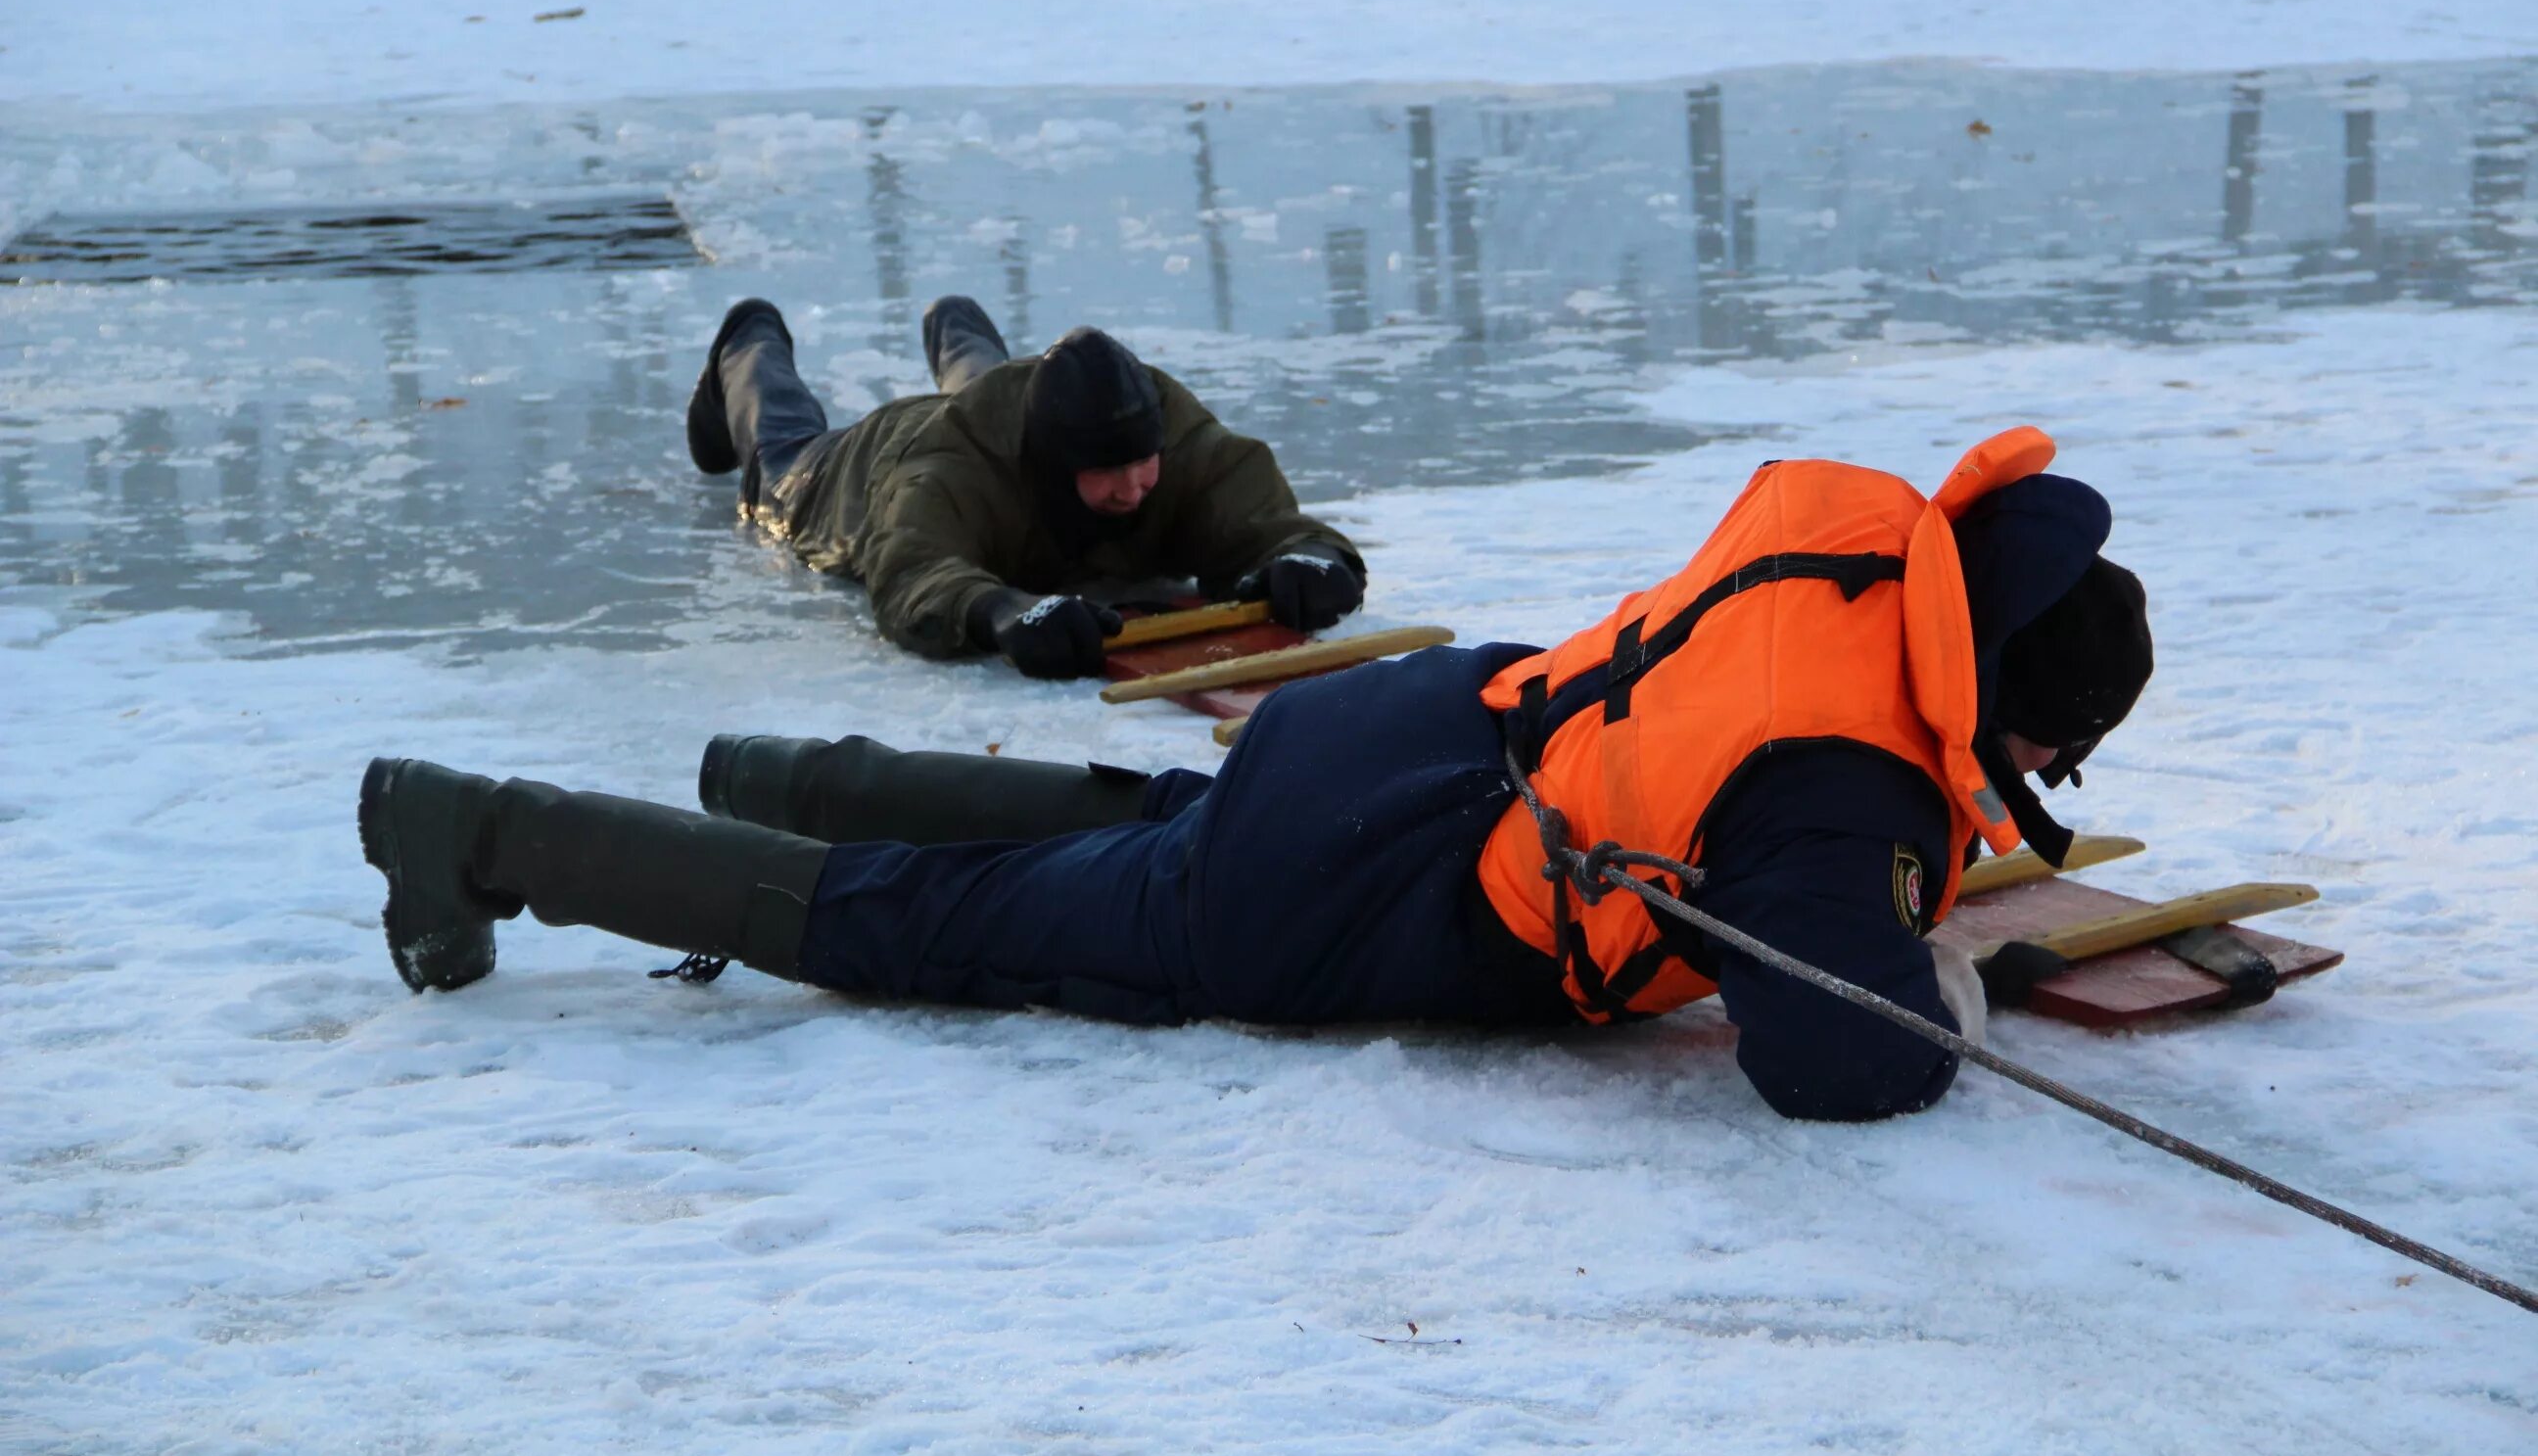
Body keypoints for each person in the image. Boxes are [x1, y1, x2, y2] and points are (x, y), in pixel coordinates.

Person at [357, 427, 2152, 1122]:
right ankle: (479, 830)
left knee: (1159, 826)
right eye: (2049, 752)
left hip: (1423, 731)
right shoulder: (1846, 783)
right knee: (937, 924)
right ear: (2021, 704)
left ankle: (790, 770)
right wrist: (1939, 990)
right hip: (1358, 887)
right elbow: (1832, 1060)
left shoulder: (1861, 555)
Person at [686, 294, 1366, 676]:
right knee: (779, 449)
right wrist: (999, 610)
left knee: (988, 387)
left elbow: (1262, 516)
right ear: (1054, 464)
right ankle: (748, 339)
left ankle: (957, 321)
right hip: (859, 468)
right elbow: (912, 570)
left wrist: (1312, 559)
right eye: (1106, 473)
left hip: (995, 410)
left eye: (1143, 464)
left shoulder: (1164, 430)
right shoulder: (947, 473)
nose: (1135, 489)